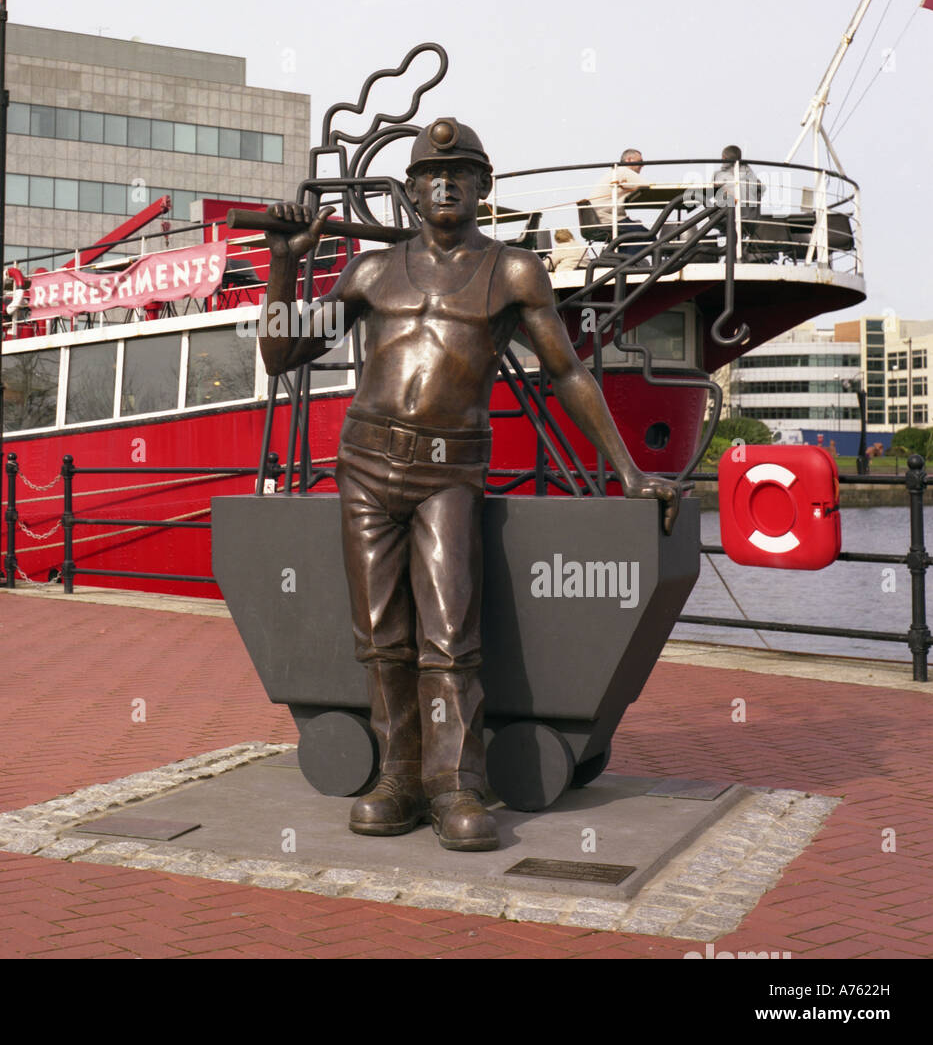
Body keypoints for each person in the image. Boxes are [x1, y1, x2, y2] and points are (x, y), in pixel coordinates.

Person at [259, 117, 680, 852]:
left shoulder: (512, 272)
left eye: (460, 173)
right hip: (364, 464)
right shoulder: (369, 272)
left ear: (484, 188)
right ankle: (396, 778)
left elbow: (567, 372)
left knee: (452, 637)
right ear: (412, 192)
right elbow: (279, 352)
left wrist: (628, 469)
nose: (444, 183)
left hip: (449, 471)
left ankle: (457, 783)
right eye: (430, 174)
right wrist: (286, 265)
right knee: (381, 637)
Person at [587, 148, 651, 255]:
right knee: (648, 236)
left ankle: (617, 259)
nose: (643, 165)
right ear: (629, 160)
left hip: (598, 219)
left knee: (634, 232)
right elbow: (650, 186)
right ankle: (627, 263)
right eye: (641, 161)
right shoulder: (624, 171)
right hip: (608, 219)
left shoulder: (615, 173)